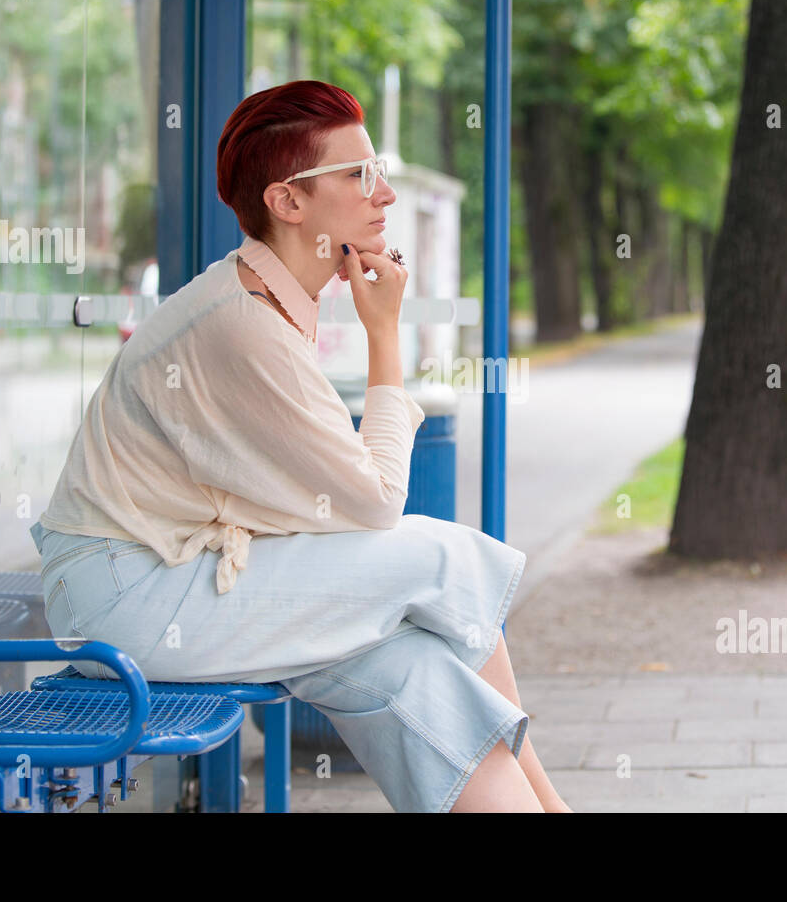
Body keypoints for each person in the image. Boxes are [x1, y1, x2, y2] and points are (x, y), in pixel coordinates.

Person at [29, 79, 571, 813]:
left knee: (414, 672)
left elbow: (333, 506)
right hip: (127, 597)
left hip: (166, 577)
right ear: (288, 202)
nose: (382, 196)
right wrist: (385, 333)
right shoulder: (242, 324)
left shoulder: (259, 301)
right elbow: (377, 504)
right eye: (358, 176)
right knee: (440, 559)